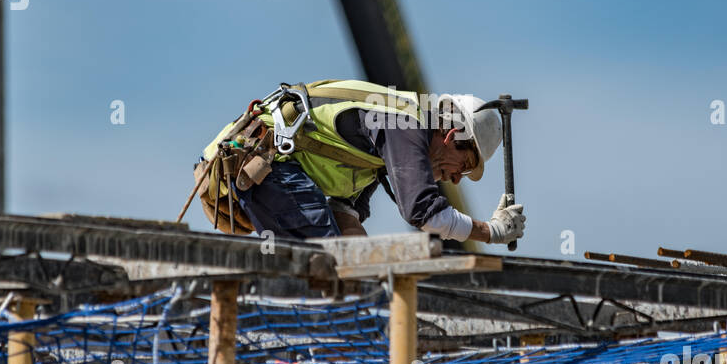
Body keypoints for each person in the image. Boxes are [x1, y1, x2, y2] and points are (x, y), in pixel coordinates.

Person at [196, 80, 526, 245]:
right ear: (452, 134)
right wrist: (491, 231)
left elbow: (346, 220)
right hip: (257, 163)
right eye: (464, 165)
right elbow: (423, 212)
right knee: (326, 262)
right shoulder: (405, 124)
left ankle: (333, 352)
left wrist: (370, 280)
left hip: (259, 171)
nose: (456, 179)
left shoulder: (380, 155)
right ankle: (334, 358)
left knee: (336, 266)